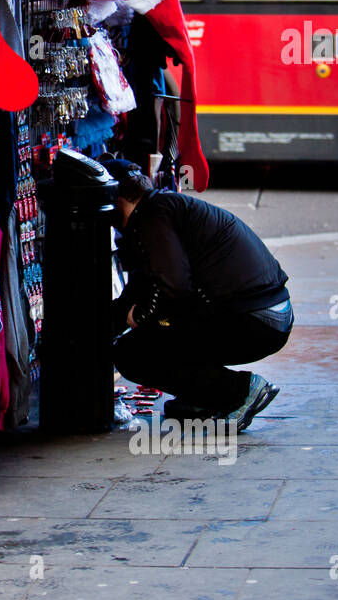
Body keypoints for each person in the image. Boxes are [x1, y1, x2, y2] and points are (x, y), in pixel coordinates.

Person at [105, 159, 294, 430]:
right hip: (264, 313)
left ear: (118, 199)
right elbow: (142, 288)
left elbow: (176, 288)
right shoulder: (160, 212)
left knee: (134, 351)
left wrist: (144, 316)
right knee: (150, 334)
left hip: (254, 318)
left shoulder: (152, 216)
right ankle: (206, 399)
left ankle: (240, 391)